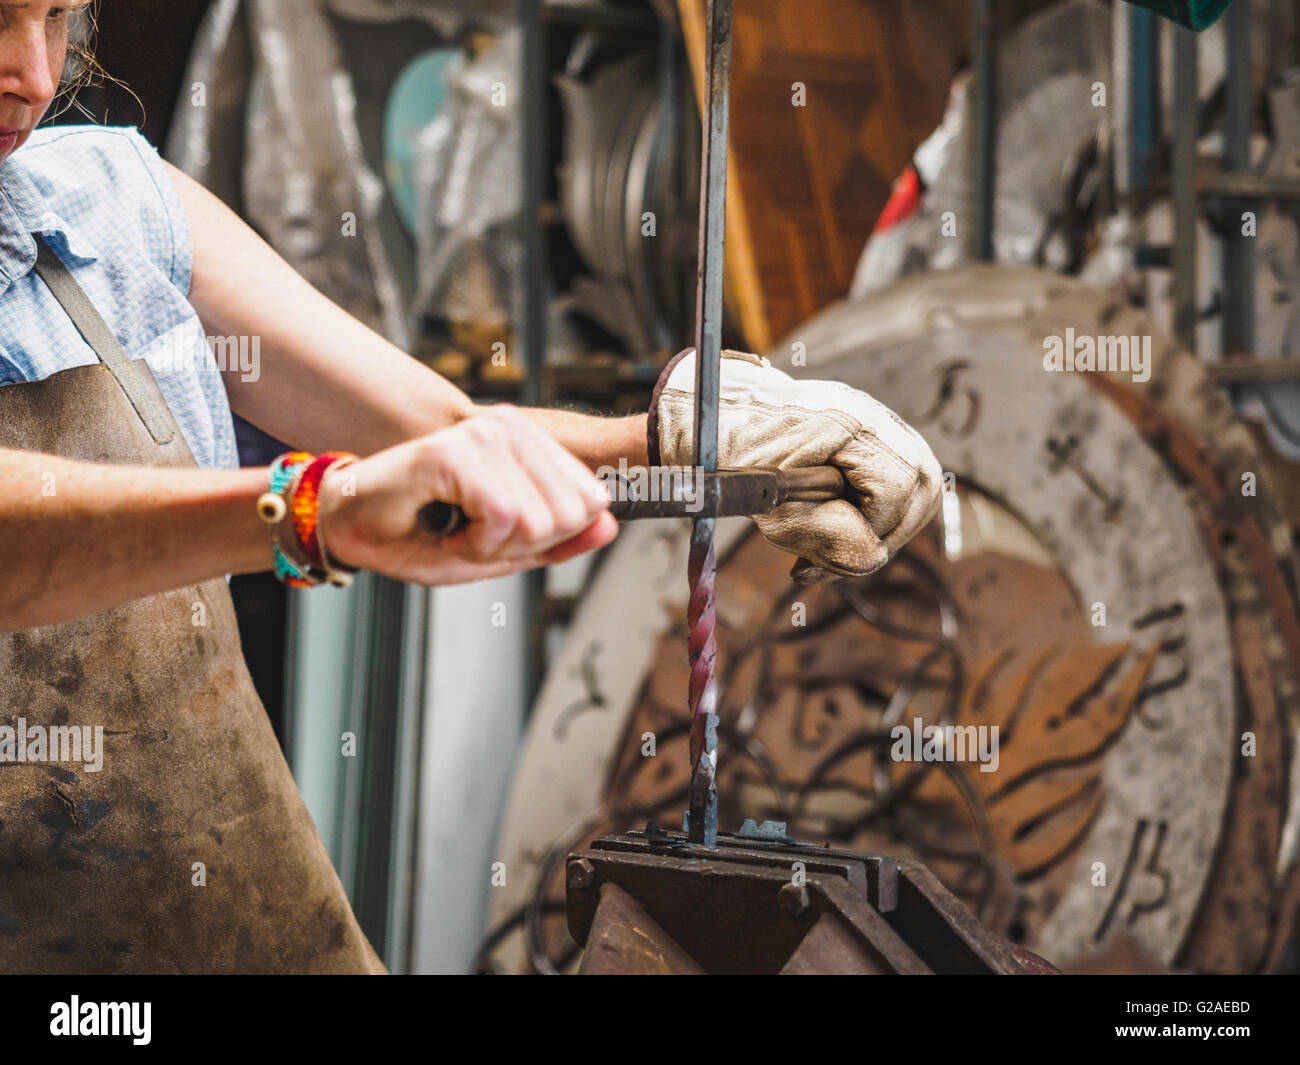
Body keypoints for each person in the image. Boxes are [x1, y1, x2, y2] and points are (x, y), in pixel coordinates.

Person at [0, 2, 943, 972]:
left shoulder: (122, 209)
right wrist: (314, 510)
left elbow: (446, 436)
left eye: (58, 15)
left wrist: (695, 446)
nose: (33, 69)